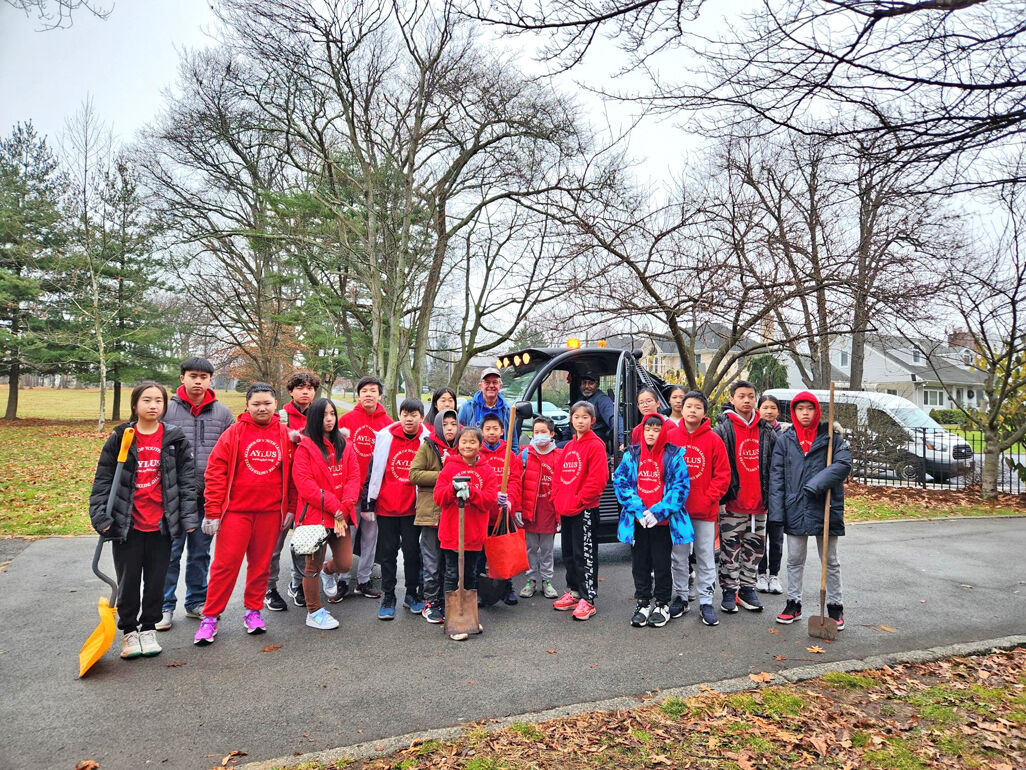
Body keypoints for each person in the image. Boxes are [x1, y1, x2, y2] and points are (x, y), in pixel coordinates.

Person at [89, 382, 198, 659]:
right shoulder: (121, 438)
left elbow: (187, 482)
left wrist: (187, 516)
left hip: (162, 525)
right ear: (135, 404)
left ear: (165, 405)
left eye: (158, 401)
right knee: (127, 581)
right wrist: (101, 516)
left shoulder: (174, 439)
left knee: (156, 580)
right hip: (128, 525)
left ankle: (148, 628)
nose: (153, 405)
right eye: (147, 400)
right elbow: (103, 481)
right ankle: (129, 631)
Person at [194, 383, 293, 645]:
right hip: (236, 513)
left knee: (261, 566)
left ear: (275, 405)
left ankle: (253, 611)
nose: (262, 408)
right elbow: (215, 472)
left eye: (267, 404)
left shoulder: (285, 434)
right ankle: (211, 617)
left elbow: (293, 476)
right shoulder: (234, 433)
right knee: (224, 566)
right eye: (256, 404)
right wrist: (212, 512)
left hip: (271, 513)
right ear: (247, 406)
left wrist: (291, 509)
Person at [158, 357, 234, 632]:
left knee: (201, 553)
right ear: (183, 378)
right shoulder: (166, 411)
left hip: (208, 496)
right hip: (174, 496)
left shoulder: (223, 414)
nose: (198, 381)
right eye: (193, 375)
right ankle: (164, 606)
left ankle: (196, 602)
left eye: (204, 376)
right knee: (170, 552)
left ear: (210, 380)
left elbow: (231, 457)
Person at [769, 391, 851, 628]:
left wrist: (815, 485)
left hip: (825, 505)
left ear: (817, 411)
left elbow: (843, 464)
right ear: (793, 412)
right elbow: (777, 477)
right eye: (800, 408)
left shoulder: (832, 439)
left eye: (810, 408)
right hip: (795, 507)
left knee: (830, 560)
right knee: (794, 558)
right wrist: (777, 513)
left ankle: (835, 607)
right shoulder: (785, 440)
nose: (805, 413)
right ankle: (793, 603)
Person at [613, 415, 692, 629]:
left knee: (662, 563)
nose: (651, 433)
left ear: (663, 432)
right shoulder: (632, 455)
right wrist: (638, 510)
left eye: (656, 429)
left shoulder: (674, 455)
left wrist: (658, 512)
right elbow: (620, 481)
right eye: (648, 428)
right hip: (638, 521)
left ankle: (662, 604)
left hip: (663, 523)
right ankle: (643, 602)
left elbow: (680, 487)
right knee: (640, 563)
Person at [290, 397, 361, 630]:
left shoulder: (345, 445)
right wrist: (336, 507)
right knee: (310, 567)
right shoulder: (305, 447)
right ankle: (314, 611)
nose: (329, 419)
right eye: (323, 415)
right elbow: (305, 485)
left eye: (332, 414)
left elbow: (353, 477)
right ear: (314, 418)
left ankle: (327, 571)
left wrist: (346, 504)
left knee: (344, 563)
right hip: (315, 516)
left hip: (341, 514)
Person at [713, 380, 778, 615]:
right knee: (730, 550)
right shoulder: (722, 430)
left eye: (751, 396)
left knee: (755, 548)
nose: (747, 400)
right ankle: (729, 591)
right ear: (732, 399)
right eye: (741, 396)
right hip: (732, 502)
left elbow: (775, 465)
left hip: (760, 503)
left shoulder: (767, 431)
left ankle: (747, 589)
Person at [669, 391, 731, 627]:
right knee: (679, 556)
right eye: (688, 406)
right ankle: (682, 596)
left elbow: (722, 475)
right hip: (678, 511)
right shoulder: (671, 437)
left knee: (706, 556)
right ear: (681, 409)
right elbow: (663, 470)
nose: (692, 410)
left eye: (697, 407)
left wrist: (709, 498)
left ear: (705, 412)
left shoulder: (714, 439)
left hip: (705, 510)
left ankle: (706, 601)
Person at [364, 398, 429, 620]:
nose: (409, 419)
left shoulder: (427, 440)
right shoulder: (385, 437)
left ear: (421, 417)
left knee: (412, 554)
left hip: (413, 508)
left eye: (414, 415)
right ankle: (388, 596)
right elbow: (374, 470)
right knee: (388, 554)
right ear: (399, 415)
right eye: (405, 414)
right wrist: (368, 500)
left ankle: (412, 594)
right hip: (387, 507)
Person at [434, 427, 500, 641]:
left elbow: (490, 500)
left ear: (480, 446)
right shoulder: (449, 468)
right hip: (452, 532)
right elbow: (438, 498)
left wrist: (472, 492)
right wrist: (452, 490)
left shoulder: (487, 470)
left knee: (470, 575)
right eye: (464, 442)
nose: (468, 446)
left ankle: (469, 617)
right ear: (458, 445)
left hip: (473, 534)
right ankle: (452, 618)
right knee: (452, 574)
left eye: (473, 442)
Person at [266, 371, 320, 612]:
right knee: (274, 547)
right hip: (282, 491)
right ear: (291, 391)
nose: (305, 392)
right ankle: (269, 589)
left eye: (309, 388)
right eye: (300, 387)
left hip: (307, 491)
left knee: (303, 544)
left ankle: (298, 585)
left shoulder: (319, 416)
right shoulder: (282, 417)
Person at [551, 401, 609, 621]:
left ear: (592, 421)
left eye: (585, 417)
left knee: (584, 554)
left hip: (585, 509)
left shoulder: (596, 445)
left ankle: (588, 597)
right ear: (571, 419)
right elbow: (558, 477)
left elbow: (598, 479)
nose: (580, 421)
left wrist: (579, 500)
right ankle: (574, 591)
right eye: (576, 417)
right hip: (566, 509)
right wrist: (558, 500)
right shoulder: (568, 447)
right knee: (568, 553)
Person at [337, 376, 393, 599]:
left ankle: (364, 579)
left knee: (371, 537)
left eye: (373, 391)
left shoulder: (388, 424)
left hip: (374, 492)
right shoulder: (346, 421)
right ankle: (342, 578)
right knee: (347, 535)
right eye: (364, 391)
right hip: (349, 490)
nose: (368, 394)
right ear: (358, 395)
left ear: (380, 395)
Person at [409, 408, 460, 623]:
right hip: (431, 513)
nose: (449, 428)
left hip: (454, 513)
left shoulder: (462, 446)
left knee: (450, 561)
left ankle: (447, 599)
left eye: (453, 424)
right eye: (445, 424)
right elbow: (414, 474)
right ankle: (430, 602)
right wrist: (444, 475)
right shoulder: (428, 445)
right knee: (431, 561)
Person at [478, 412, 524, 605]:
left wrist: (510, 501)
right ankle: (480, 590)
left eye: (495, 429)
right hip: (482, 512)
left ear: (502, 431)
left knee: (503, 551)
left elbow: (515, 480)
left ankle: (506, 588)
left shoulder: (509, 454)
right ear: (481, 432)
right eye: (487, 429)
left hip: (502, 513)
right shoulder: (477, 454)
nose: (491, 433)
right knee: (480, 554)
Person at [517, 416, 562, 599]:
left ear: (551, 434)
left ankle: (547, 581)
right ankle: (530, 580)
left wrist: (560, 516)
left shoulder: (559, 456)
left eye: (543, 432)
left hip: (549, 513)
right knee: (530, 549)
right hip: (530, 513)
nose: (539, 436)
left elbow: (561, 487)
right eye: (536, 432)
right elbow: (517, 484)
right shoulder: (525, 455)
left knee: (547, 550)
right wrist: (518, 509)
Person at [757, 395, 789, 595]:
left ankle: (774, 575)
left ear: (778, 411)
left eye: (772, 408)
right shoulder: (755, 431)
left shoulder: (786, 433)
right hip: (759, 492)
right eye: (765, 407)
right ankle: (760, 574)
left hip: (779, 493)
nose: (768, 411)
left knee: (776, 537)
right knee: (760, 536)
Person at [457, 367, 517, 451]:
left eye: (495, 382)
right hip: (476, 461)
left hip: (500, 460)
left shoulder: (507, 410)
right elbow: (459, 436)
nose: (491, 385)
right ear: (480, 386)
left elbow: (513, 441)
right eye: (487, 382)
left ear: (500, 386)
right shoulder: (468, 407)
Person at [578, 371, 617, 446]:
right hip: (579, 438)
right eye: (584, 383)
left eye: (591, 383)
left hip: (593, 442)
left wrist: (622, 442)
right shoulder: (581, 400)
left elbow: (614, 419)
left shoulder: (602, 400)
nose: (586, 386)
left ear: (597, 385)